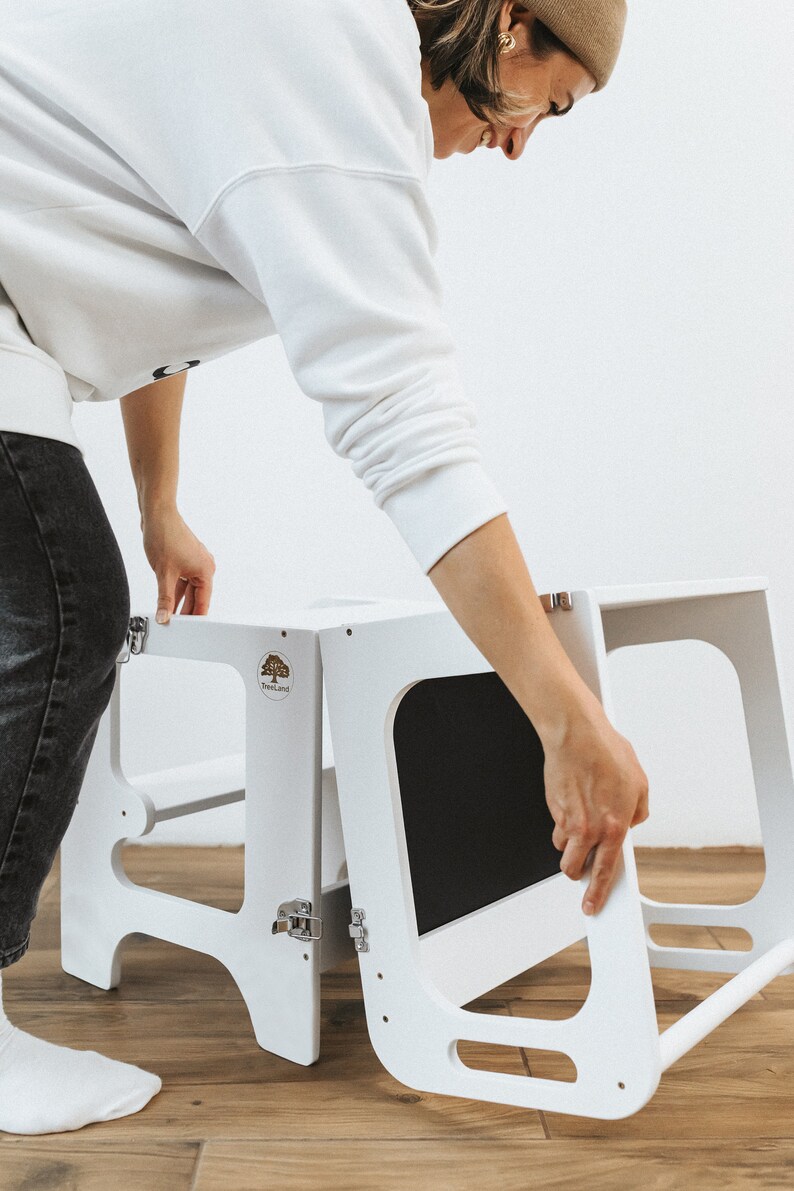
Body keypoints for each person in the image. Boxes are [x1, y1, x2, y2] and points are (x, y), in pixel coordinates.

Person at [0, 0, 648, 1135]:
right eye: (554, 104)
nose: (519, 142)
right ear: (508, 25)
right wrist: (558, 713)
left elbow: (163, 238)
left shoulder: (310, 62)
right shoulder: (342, 72)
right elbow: (406, 425)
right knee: (59, 610)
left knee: (53, 599)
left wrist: (160, 502)